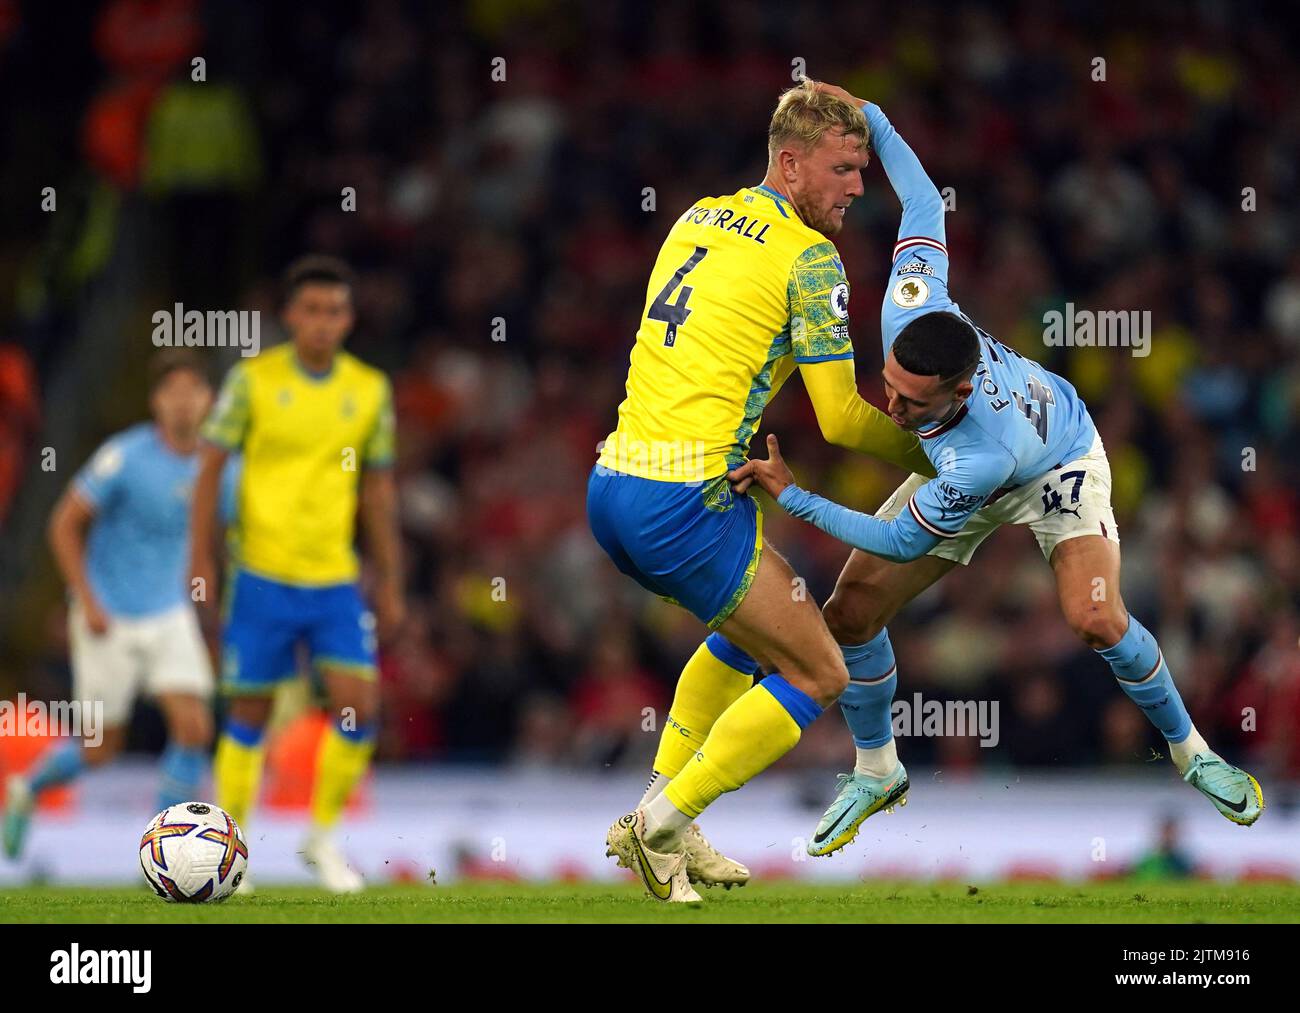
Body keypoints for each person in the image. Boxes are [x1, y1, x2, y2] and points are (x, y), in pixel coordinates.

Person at [726, 86, 1264, 858]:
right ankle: (877, 770)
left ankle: (1193, 753)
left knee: (1095, 617)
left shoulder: (983, 453)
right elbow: (922, 202)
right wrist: (874, 118)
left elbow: (901, 541)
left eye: (912, 404)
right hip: (974, 454)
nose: (892, 407)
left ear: (960, 390)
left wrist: (795, 496)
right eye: (891, 388)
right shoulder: (910, 307)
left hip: (1055, 458)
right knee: (847, 617)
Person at [588, 80, 934, 902]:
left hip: (612, 482)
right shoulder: (810, 259)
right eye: (845, 169)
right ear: (790, 162)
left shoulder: (697, 215)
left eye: (863, 169)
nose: (860, 186)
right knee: (819, 672)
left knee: (751, 638)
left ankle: (665, 817)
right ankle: (661, 822)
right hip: (684, 499)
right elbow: (844, 419)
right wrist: (942, 455)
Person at [190, 255, 403, 893]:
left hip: (335, 578)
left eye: (333, 311)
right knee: (248, 713)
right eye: (310, 310)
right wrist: (200, 558)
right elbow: (208, 468)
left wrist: (389, 575)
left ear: (348, 319)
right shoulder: (251, 382)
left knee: (359, 706)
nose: (321, 322)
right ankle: (231, 849)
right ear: (289, 315)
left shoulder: (369, 390)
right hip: (261, 573)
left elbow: (379, 488)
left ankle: (322, 839)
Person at [4, 350, 219, 859]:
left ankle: (164, 847)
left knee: (194, 727)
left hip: (168, 610)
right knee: (102, 748)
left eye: (193, 392)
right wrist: (86, 598)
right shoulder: (124, 456)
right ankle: (26, 789)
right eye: (173, 393)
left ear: (209, 400)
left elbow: (219, 531)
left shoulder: (215, 465)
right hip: (109, 613)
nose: (184, 403)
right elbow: (62, 524)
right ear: (156, 402)